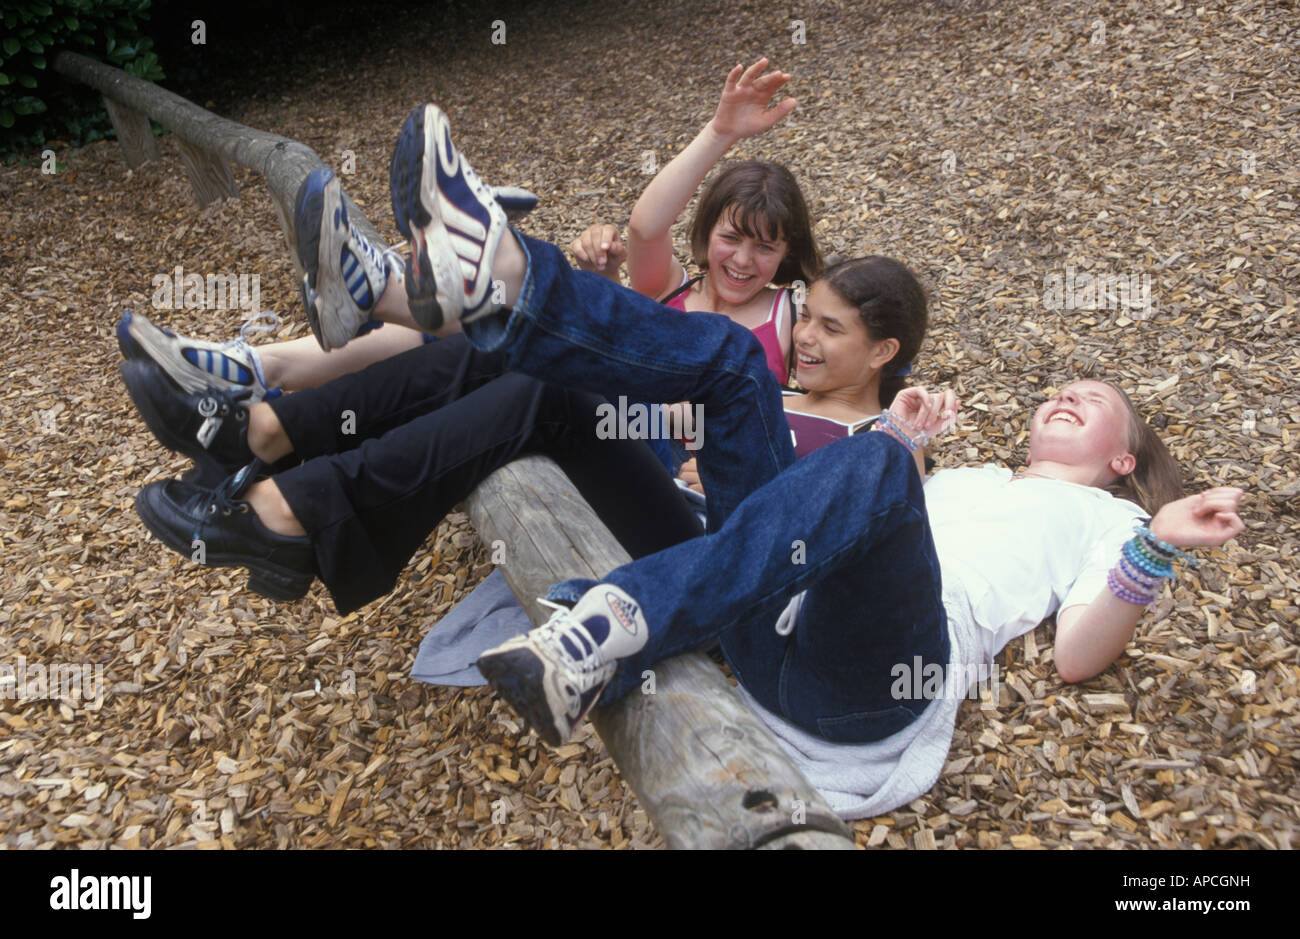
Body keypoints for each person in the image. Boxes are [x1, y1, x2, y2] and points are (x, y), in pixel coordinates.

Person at [367, 98, 1242, 817]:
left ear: (1123, 456)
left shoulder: (1111, 517)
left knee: (882, 461)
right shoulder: (978, 476)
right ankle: (511, 285)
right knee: (735, 360)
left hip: (860, 690)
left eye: (1089, 403)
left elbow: (1076, 659)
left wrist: (1155, 546)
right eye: (1060, 389)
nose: (1063, 395)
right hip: (770, 612)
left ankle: (613, 624)